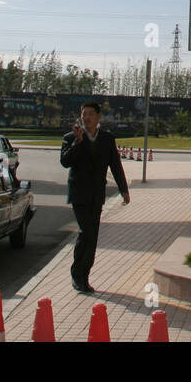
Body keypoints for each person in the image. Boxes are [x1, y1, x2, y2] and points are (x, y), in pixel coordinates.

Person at [61, 102, 129, 293]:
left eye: (91, 114)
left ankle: (84, 275)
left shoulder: (107, 139)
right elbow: (65, 162)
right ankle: (77, 274)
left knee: (92, 236)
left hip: (97, 195)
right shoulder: (71, 138)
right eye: (84, 114)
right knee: (86, 232)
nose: (87, 117)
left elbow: (115, 165)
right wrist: (78, 142)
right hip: (79, 195)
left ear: (98, 117)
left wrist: (123, 189)